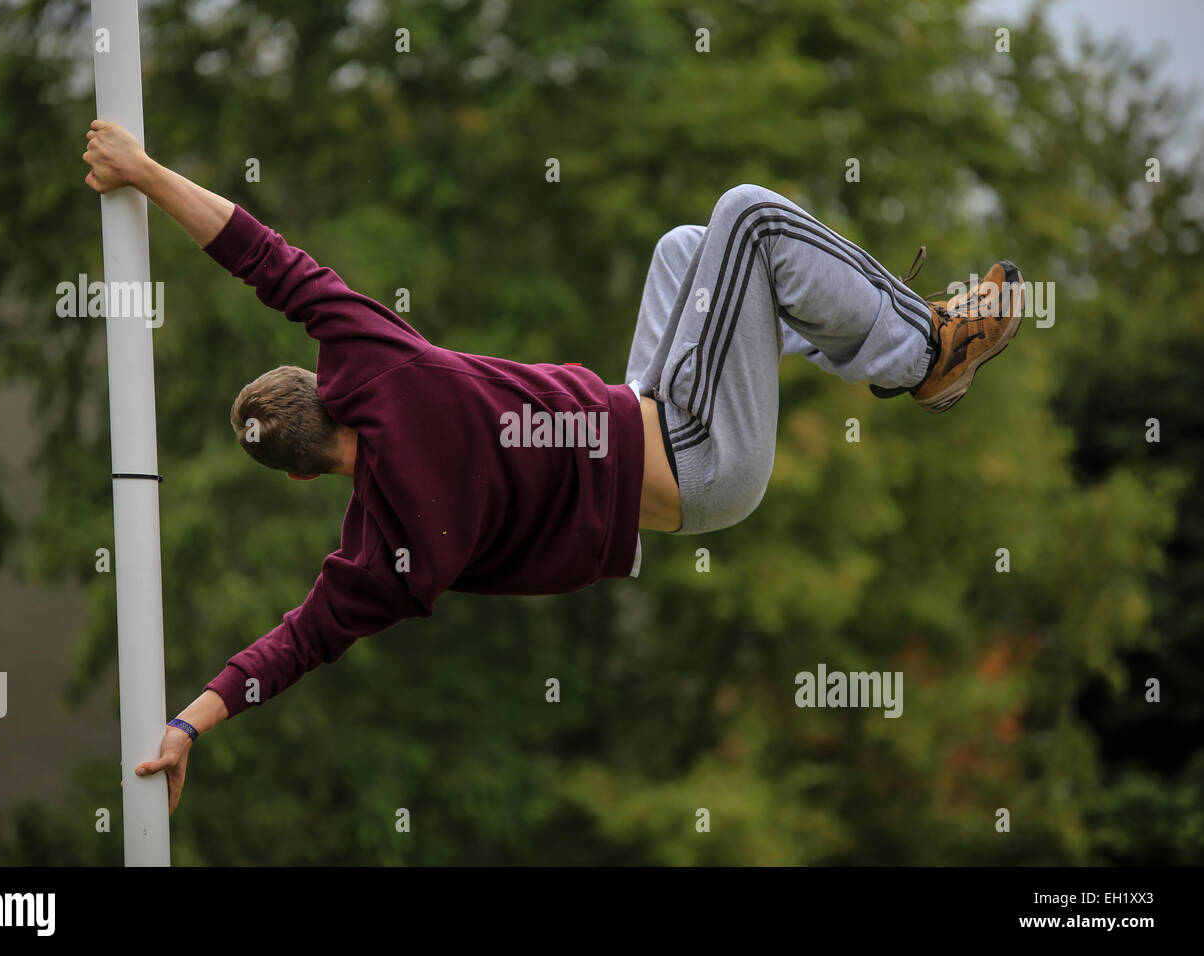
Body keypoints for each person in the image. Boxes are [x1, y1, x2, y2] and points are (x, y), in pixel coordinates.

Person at [82, 120, 1023, 814]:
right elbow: (263, 257)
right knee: (747, 217)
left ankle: (881, 348)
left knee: (688, 252)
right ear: (322, 379)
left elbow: (291, 646)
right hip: (700, 449)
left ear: (301, 475)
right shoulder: (377, 365)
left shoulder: (383, 556)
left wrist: (188, 725)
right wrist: (144, 170)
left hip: (670, 440)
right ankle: (923, 350)